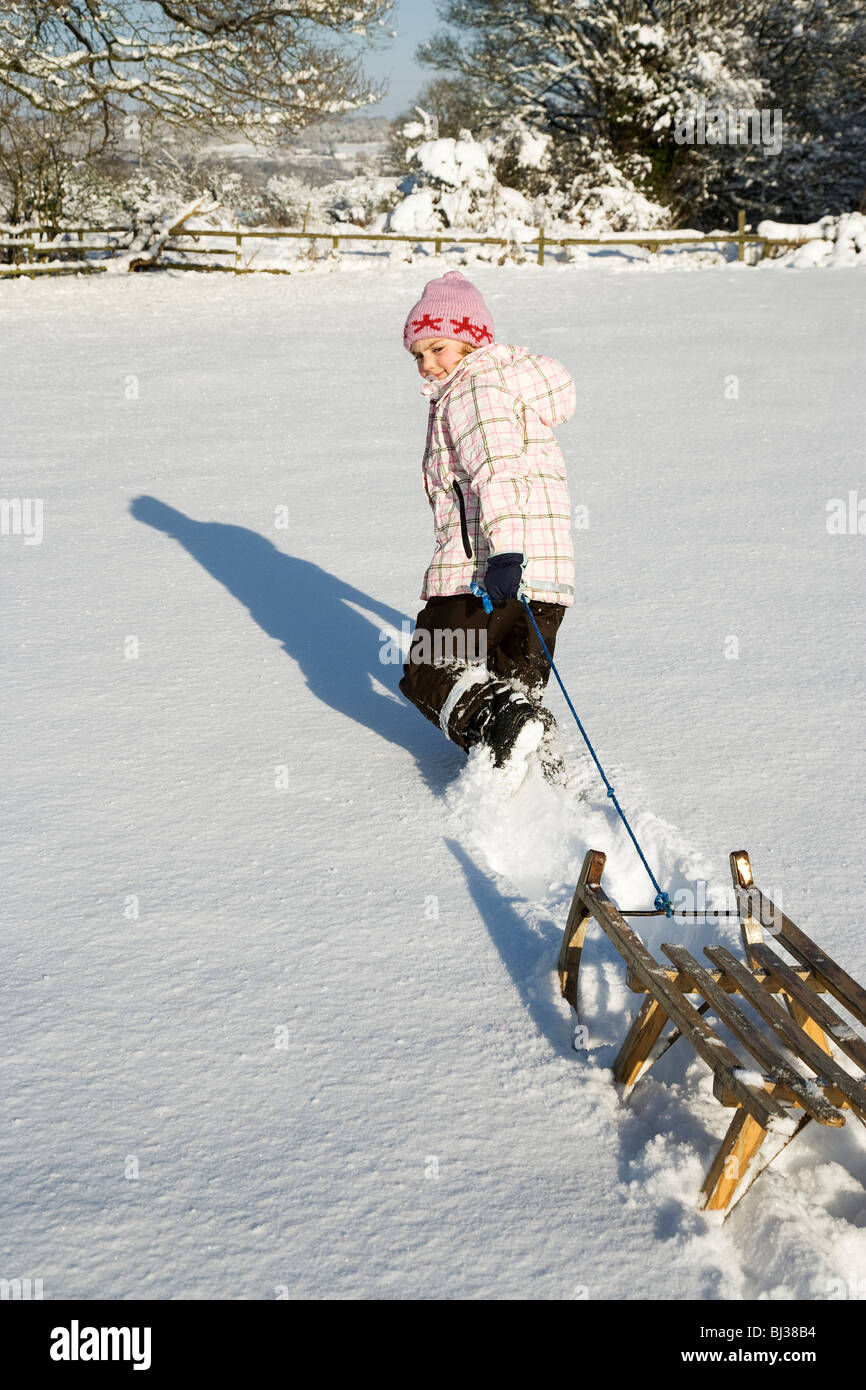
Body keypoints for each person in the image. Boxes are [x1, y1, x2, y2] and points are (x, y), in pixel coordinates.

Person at [398, 270, 576, 779]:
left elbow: (495, 471)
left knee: (429, 667)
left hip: (486, 571)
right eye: (418, 354)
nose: (428, 364)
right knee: (515, 686)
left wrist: (505, 554)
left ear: (472, 341)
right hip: (546, 583)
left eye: (438, 348)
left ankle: (506, 729)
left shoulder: (472, 388)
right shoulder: (509, 387)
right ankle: (543, 781)